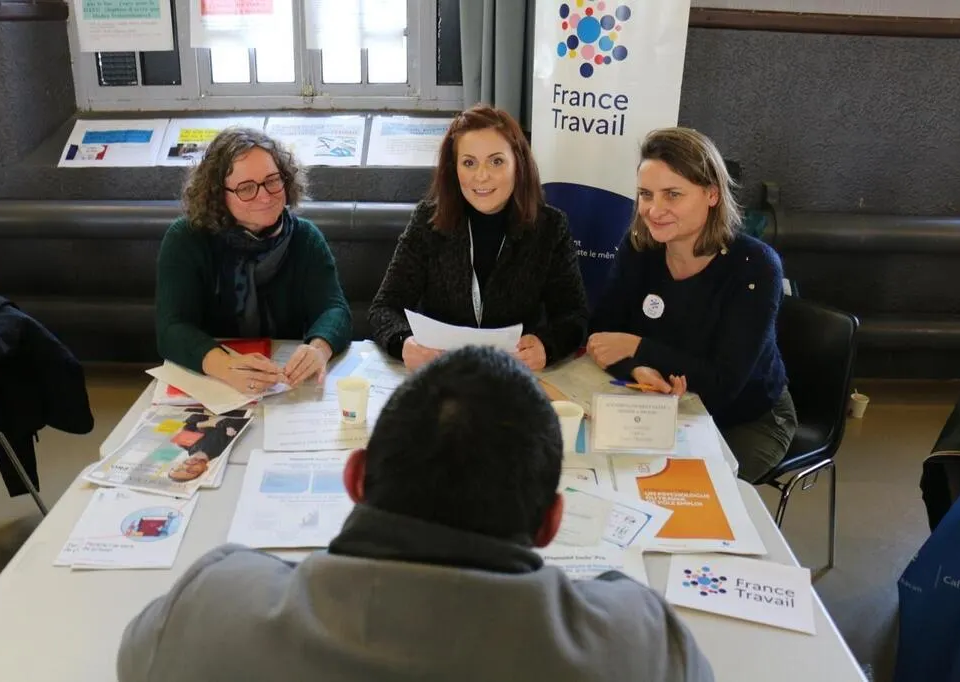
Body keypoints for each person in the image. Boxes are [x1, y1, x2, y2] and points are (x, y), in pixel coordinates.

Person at [117, 347, 714, 682]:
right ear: (550, 523)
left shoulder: (209, 608)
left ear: (355, 478)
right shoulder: (639, 647)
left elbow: (132, 658)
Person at [587, 127, 796, 483]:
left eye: (673, 194)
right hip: (661, 404)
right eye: (646, 194)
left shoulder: (756, 266)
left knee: (689, 494)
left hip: (746, 417)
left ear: (712, 194)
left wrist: (638, 347)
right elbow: (602, 333)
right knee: (613, 478)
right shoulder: (640, 247)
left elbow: (723, 383)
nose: (654, 210)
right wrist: (637, 368)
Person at [368, 105, 588, 372]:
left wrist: (546, 347)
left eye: (496, 161)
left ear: (518, 164)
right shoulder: (427, 221)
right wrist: (404, 343)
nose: (481, 176)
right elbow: (384, 308)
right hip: (443, 373)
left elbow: (574, 316)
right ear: (454, 169)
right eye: (469, 163)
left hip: (514, 374)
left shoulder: (550, 227)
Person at [156, 127, 352, 395]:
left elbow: (335, 309)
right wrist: (225, 365)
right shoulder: (186, 239)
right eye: (246, 188)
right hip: (212, 378)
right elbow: (171, 328)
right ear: (218, 194)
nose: (265, 196)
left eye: (273, 180)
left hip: (284, 378)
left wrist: (319, 348)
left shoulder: (305, 237)